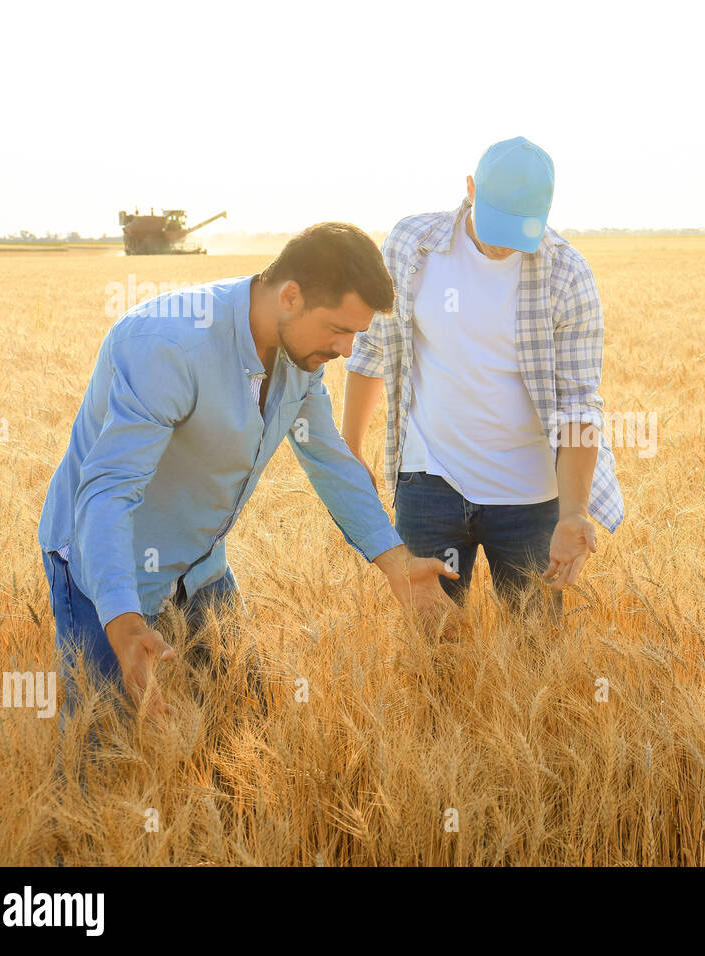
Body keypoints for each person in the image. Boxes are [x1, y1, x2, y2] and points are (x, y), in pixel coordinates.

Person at [39, 222, 458, 722]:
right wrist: (125, 624)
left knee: (244, 722)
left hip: (201, 563)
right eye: (339, 329)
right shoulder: (168, 346)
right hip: (106, 566)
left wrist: (397, 562)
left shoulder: (302, 355)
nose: (347, 350)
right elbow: (109, 491)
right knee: (104, 745)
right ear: (291, 296)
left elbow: (328, 458)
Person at [342, 137, 624, 615]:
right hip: (428, 484)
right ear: (470, 188)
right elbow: (372, 348)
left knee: (536, 654)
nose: (503, 243)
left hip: (532, 496)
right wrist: (350, 449)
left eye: (520, 229)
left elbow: (579, 403)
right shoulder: (413, 246)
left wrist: (574, 511)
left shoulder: (567, 274)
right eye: (497, 224)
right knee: (430, 649)